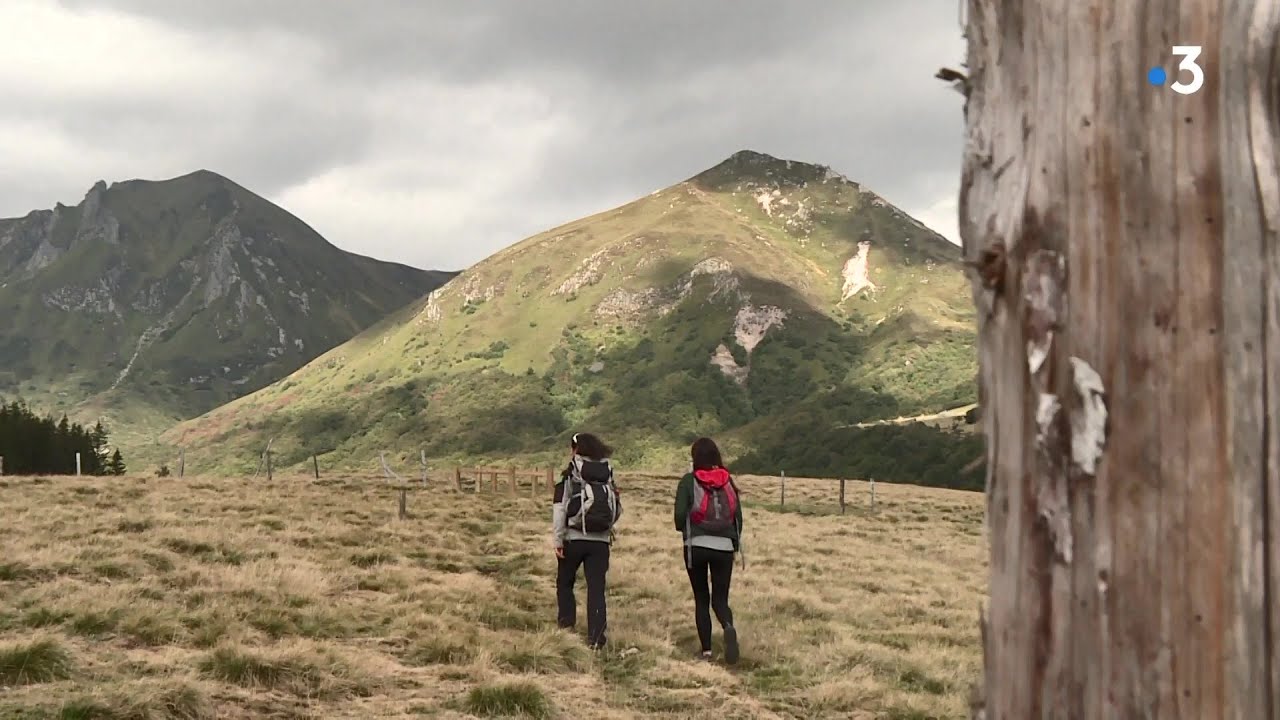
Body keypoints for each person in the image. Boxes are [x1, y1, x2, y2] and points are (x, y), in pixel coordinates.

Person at [673, 436, 743, 664]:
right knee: (720, 599)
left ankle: (706, 651)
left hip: (697, 546)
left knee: (701, 598)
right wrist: (733, 542)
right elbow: (738, 518)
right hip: (724, 547)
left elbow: (679, 517)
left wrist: (686, 528)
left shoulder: (688, 481)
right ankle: (728, 626)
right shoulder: (727, 481)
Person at [552, 432, 622, 649]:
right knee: (596, 588)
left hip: (573, 538)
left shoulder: (571, 473)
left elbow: (560, 508)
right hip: (600, 541)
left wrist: (558, 539)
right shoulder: (606, 473)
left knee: (565, 582)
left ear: (575, 449)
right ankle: (597, 638)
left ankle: (566, 627)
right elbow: (617, 507)